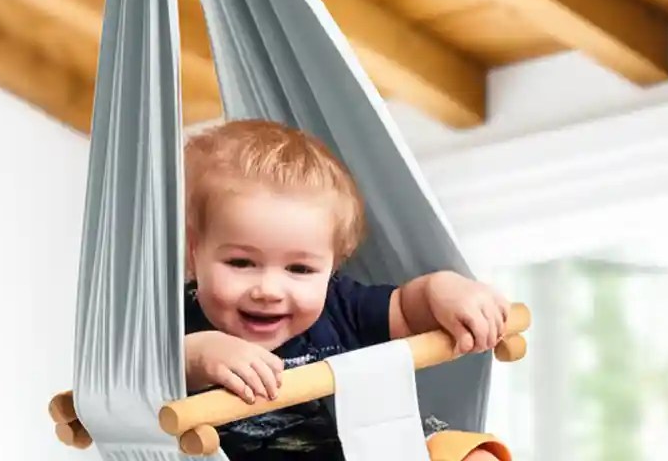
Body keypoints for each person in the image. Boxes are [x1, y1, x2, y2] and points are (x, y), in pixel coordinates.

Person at [183, 119, 513, 461]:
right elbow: (147, 383)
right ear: (194, 253)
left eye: (300, 269)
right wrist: (195, 356)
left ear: (332, 268)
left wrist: (442, 289)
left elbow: (404, 309)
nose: (268, 290)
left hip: (373, 450)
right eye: (240, 263)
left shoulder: (339, 306)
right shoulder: (171, 321)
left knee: (476, 456)